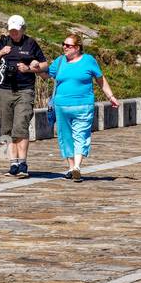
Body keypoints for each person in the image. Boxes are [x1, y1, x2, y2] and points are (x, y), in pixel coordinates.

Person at [47, 31, 119, 182]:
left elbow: (100, 79)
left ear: (78, 47)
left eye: (69, 45)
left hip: (83, 106)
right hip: (61, 106)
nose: (65, 48)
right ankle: (71, 168)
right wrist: (30, 68)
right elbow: (46, 74)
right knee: (65, 137)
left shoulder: (88, 60)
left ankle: (77, 167)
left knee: (81, 135)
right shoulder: (60, 61)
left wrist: (110, 96)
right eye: (63, 45)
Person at [0, 14, 48, 179]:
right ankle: (13, 163)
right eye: (11, 30)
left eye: (16, 30)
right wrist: (0, 53)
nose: (13, 33)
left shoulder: (31, 43)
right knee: (7, 128)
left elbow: (44, 65)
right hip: (4, 90)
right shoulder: (3, 42)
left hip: (25, 90)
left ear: (23, 29)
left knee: (20, 127)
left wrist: (29, 67)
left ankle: (23, 163)